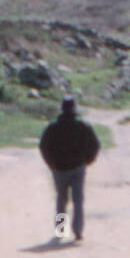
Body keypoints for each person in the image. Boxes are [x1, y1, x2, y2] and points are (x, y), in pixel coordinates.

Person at [38, 96, 100, 242]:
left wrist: (50, 163)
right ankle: (78, 231)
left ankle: (60, 231)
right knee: (78, 200)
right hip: (78, 167)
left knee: (61, 199)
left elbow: (43, 146)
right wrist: (88, 160)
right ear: (74, 108)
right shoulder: (83, 125)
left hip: (59, 169)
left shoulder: (52, 127)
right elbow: (95, 144)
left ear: (62, 108)